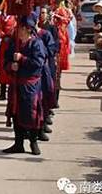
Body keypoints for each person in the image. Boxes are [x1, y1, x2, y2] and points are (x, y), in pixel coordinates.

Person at [3, 14, 46, 155]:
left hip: (31, 85)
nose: (19, 30)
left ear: (28, 29)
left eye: (21, 28)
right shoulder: (14, 43)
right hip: (16, 84)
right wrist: (10, 66)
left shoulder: (36, 44)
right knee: (15, 112)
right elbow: (6, 61)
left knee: (31, 113)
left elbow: (38, 64)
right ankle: (18, 143)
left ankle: (33, 142)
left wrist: (22, 59)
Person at [36, 11, 57, 142]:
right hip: (30, 73)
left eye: (43, 13)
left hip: (44, 68)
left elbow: (53, 49)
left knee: (44, 98)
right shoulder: (27, 36)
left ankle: (42, 126)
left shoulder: (47, 32)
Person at [38, 6, 60, 109]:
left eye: (43, 13)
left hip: (48, 58)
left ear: (47, 14)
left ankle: (53, 102)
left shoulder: (51, 27)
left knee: (51, 80)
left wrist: (48, 53)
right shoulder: (35, 27)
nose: (41, 15)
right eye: (40, 13)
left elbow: (56, 44)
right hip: (38, 58)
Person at [0, 0, 17, 101]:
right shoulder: (0, 17)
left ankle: (11, 92)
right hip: (4, 43)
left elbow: (15, 28)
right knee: (2, 66)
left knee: (11, 66)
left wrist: (11, 35)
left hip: (12, 44)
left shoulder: (14, 17)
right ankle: (2, 92)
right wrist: (4, 35)